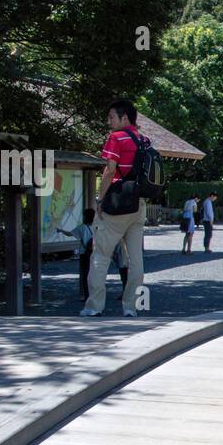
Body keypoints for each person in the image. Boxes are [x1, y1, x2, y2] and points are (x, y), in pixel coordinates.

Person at [82, 98, 147, 317]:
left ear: (124, 117)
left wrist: (100, 200)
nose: (108, 121)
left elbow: (110, 170)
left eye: (111, 117)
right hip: (138, 204)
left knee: (100, 255)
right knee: (136, 260)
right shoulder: (144, 140)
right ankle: (131, 307)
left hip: (117, 203)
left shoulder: (116, 138)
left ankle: (94, 306)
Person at [75, 208, 95, 300]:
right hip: (94, 253)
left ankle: (87, 295)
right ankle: (93, 295)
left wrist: (61, 230)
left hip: (85, 253)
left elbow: (70, 233)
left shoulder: (82, 227)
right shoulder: (96, 226)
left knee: (85, 275)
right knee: (94, 274)